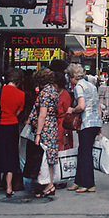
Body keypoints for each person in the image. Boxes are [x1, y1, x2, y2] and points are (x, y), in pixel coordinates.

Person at [0, 67, 24, 198]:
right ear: (18, 81)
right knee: (11, 154)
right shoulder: (21, 95)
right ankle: (8, 187)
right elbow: (18, 113)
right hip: (12, 126)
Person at [27, 66, 64, 199]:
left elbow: (42, 114)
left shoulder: (44, 93)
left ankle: (48, 184)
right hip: (52, 126)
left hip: (45, 128)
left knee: (44, 157)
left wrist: (37, 134)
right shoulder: (53, 91)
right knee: (50, 157)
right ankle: (49, 184)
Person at [67, 63, 103, 193]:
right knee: (83, 151)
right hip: (95, 122)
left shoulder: (79, 87)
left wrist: (72, 109)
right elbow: (98, 105)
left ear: (72, 77)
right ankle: (78, 181)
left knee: (85, 153)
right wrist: (99, 124)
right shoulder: (92, 86)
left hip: (85, 123)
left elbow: (81, 106)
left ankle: (88, 184)